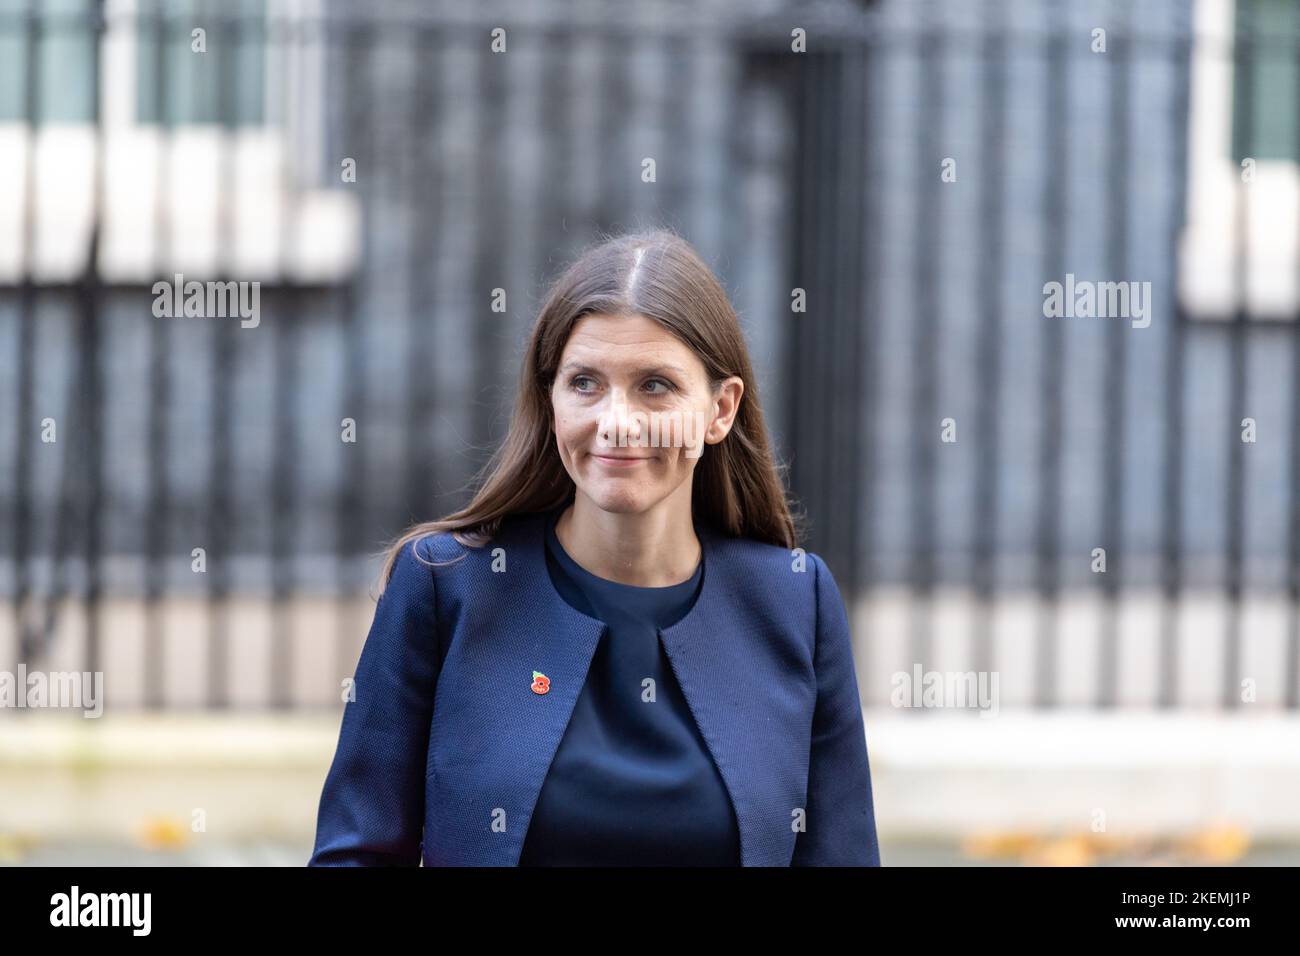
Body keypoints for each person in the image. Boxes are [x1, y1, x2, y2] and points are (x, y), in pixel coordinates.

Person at [308, 228, 881, 866]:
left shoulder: (795, 602)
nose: (616, 421)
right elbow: (354, 855)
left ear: (720, 410)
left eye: (655, 385)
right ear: (551, 400)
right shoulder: (447, 588)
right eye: (585, 383)